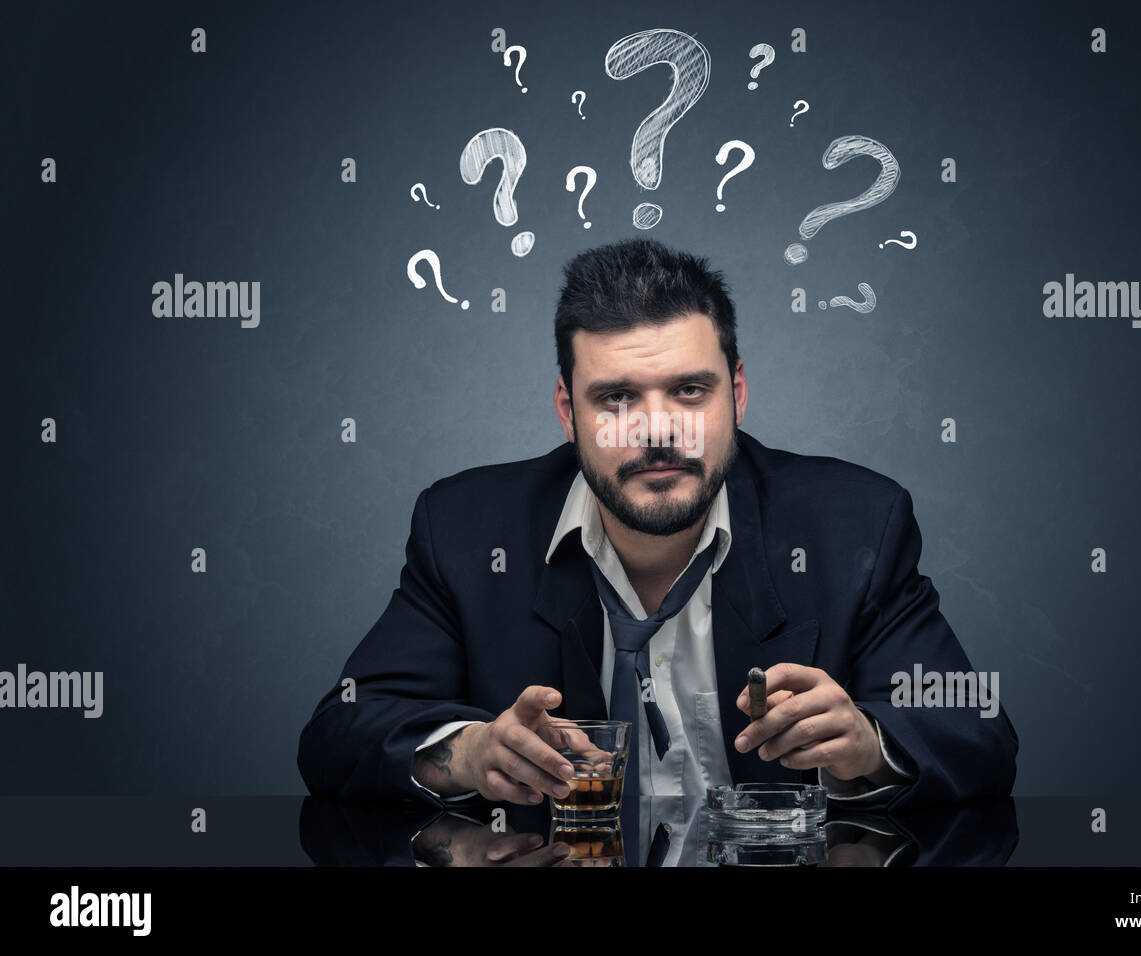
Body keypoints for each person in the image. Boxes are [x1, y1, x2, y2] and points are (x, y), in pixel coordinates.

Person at [298, 237, 1017, 839]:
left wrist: (867, 746)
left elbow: (976, 730)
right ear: (565, 410)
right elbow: (342, 730)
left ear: (736, 394)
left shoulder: (857, 522)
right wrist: (467, 753)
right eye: (616, 398)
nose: (658, 432)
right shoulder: (463, 529)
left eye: (689, 392)